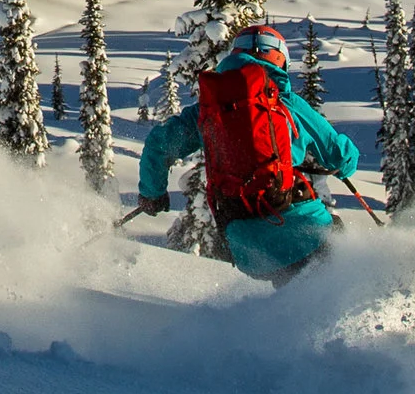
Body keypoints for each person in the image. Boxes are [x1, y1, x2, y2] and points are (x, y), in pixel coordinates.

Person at [137, 24, 362, 284]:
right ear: (280, 59)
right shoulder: (286, 102)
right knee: (344, 264)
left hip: (244, 247)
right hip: (300, 231)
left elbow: (158, 144)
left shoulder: (206, 110)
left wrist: (152, 195)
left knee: (292, 293)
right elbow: (342, 157)